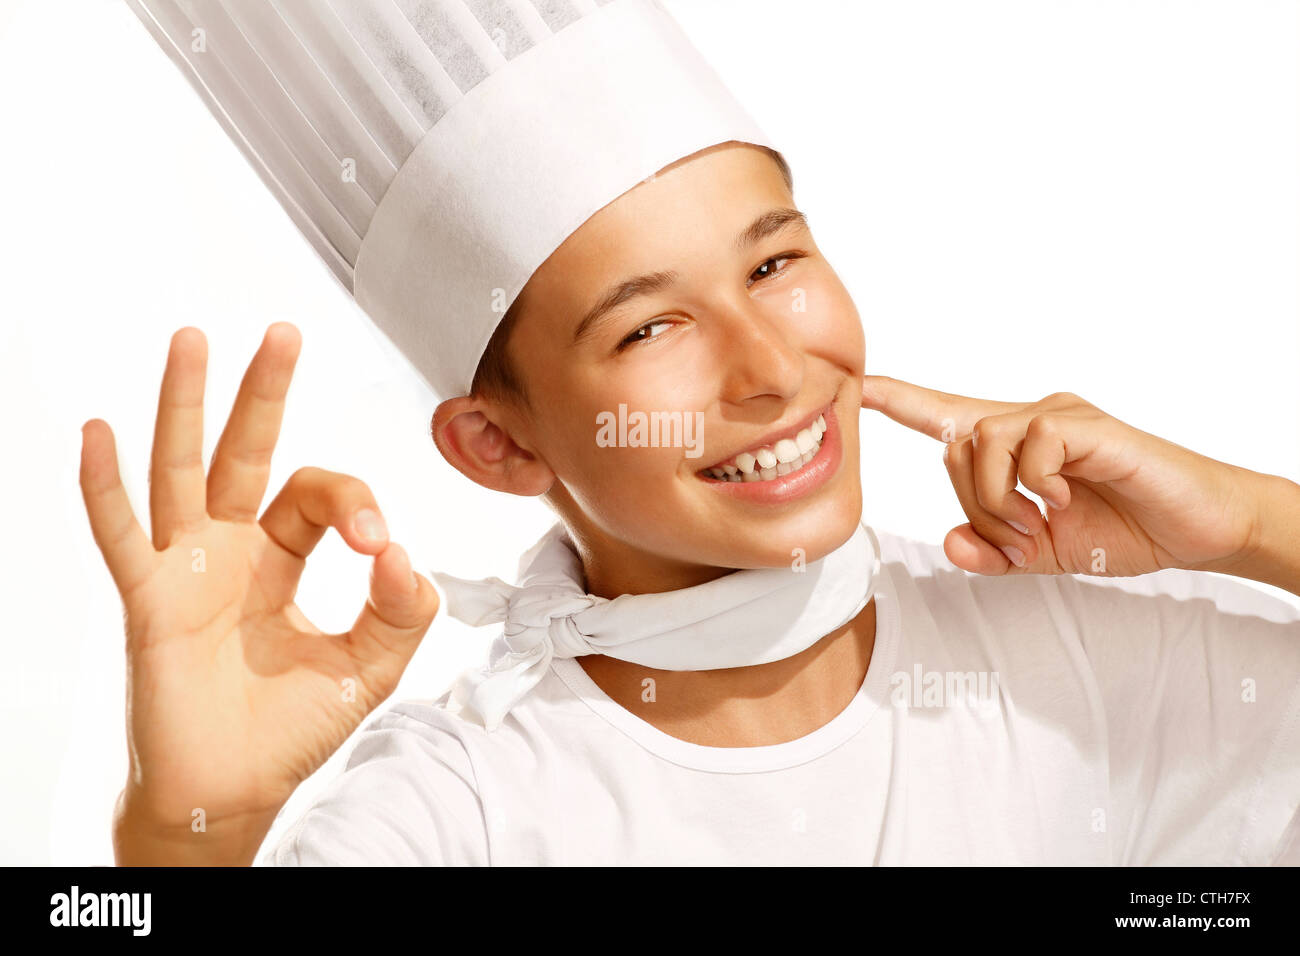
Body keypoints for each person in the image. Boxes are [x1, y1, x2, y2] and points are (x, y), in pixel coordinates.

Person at [87, 0, 1300, 865]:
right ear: (497, 444)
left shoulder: (1074, 669)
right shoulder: (462, 807)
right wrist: (182, 835)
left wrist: (1248, 520)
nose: (774, 368)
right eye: (648, 328)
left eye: (773, 260)